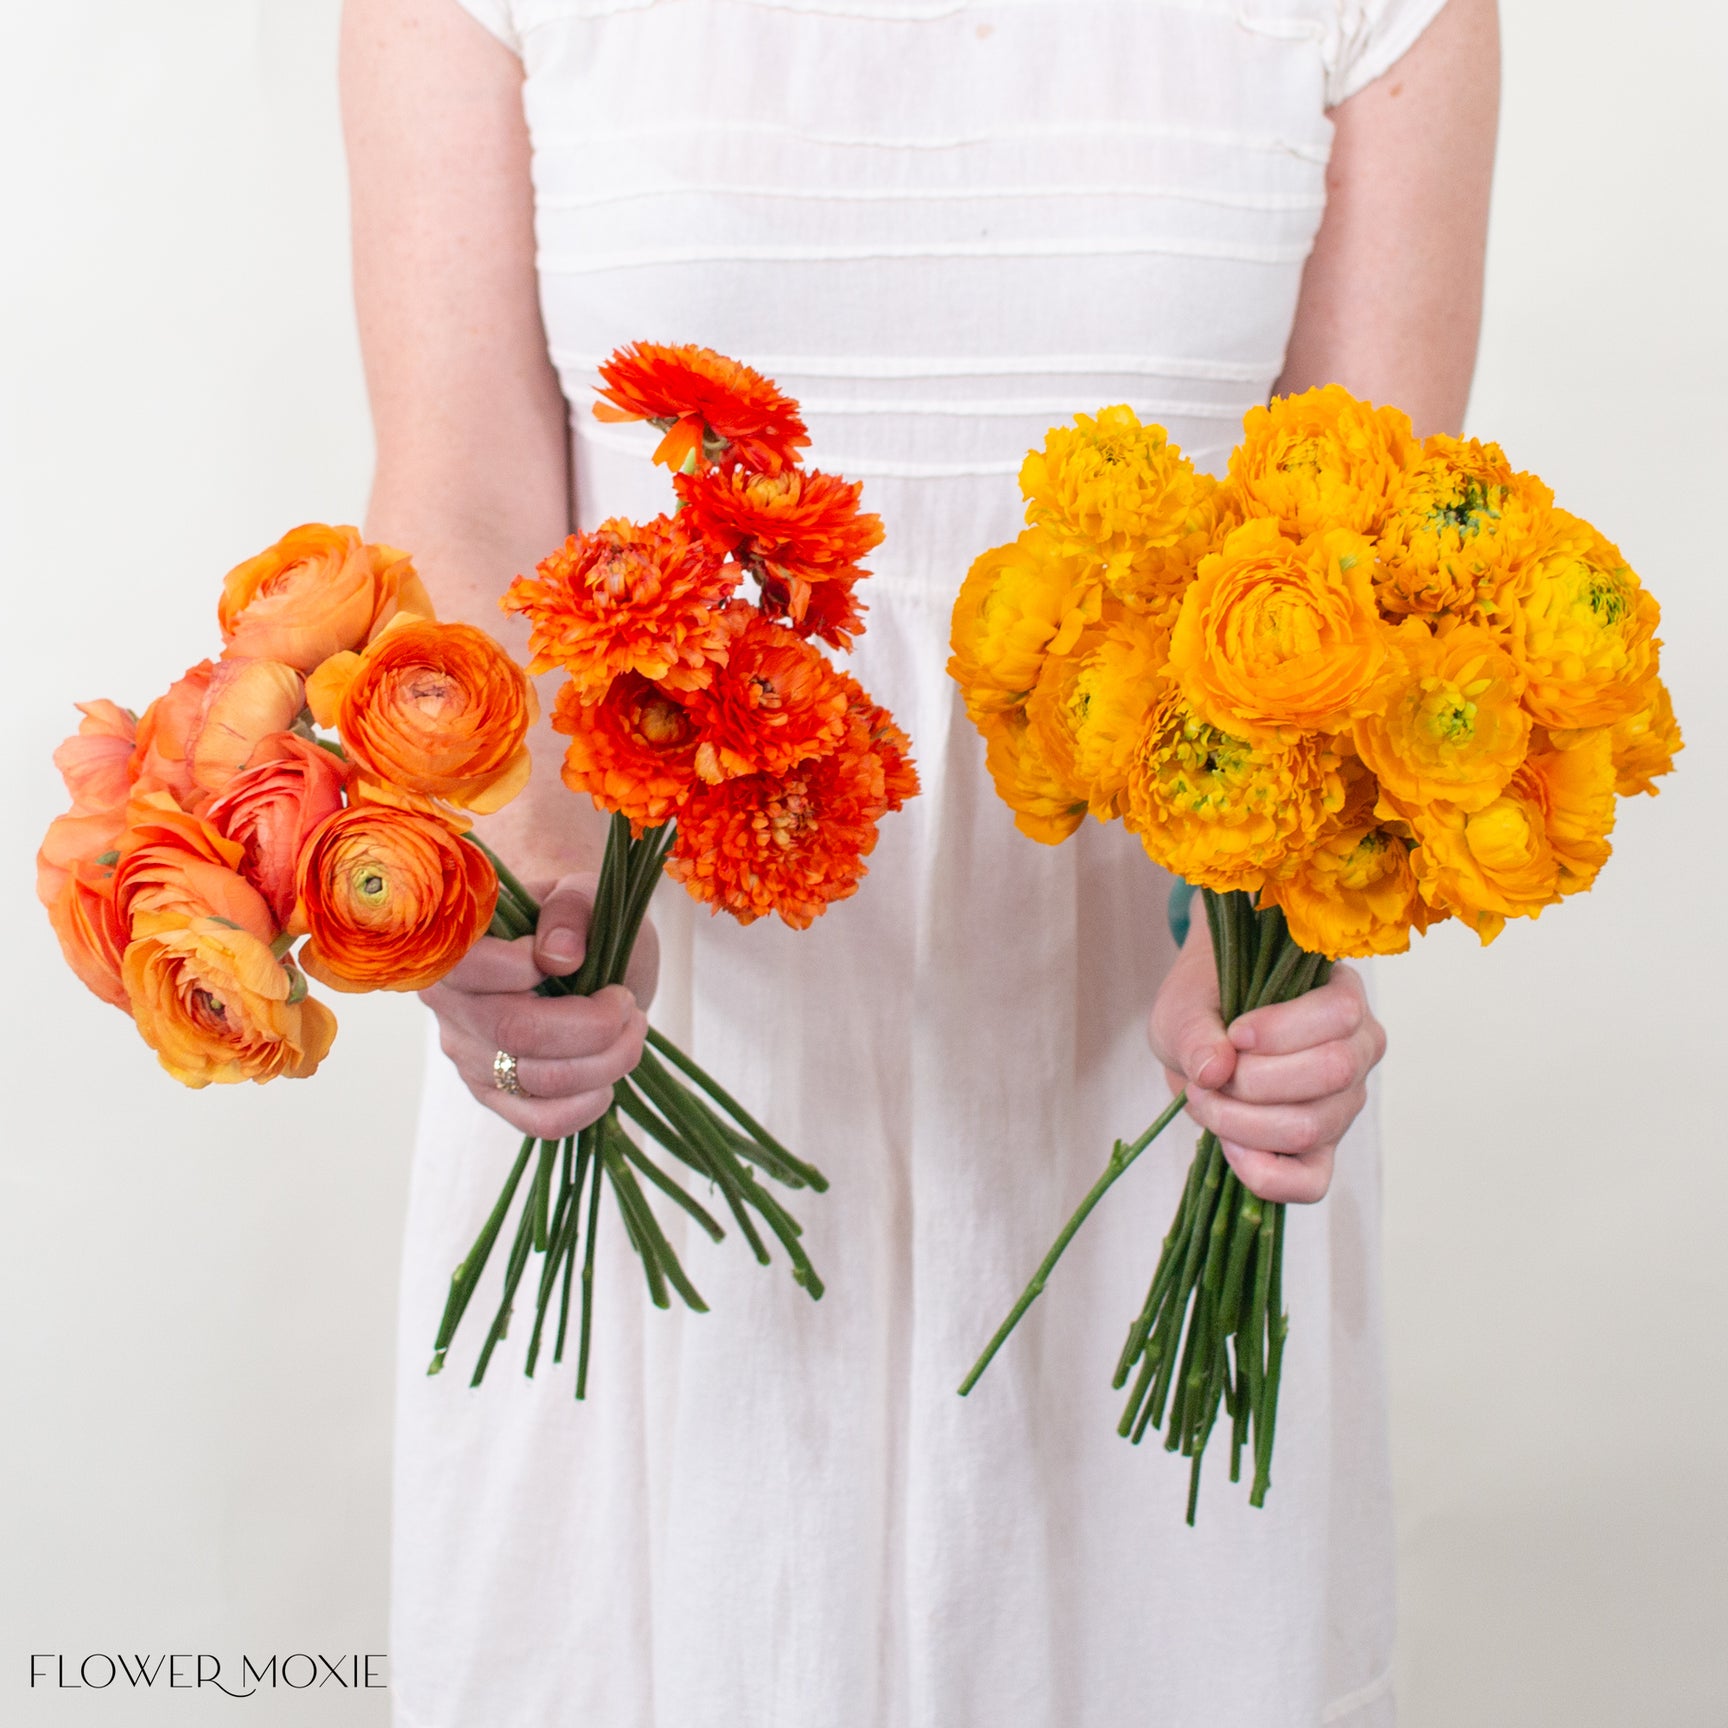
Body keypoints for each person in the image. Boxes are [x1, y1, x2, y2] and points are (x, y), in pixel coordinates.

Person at [340, 0, 1497, 1721]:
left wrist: (1251, 946)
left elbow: (1370, 549)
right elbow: (470, 498)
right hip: (664, 1045)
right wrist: (545, 905)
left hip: (1154, 1079)